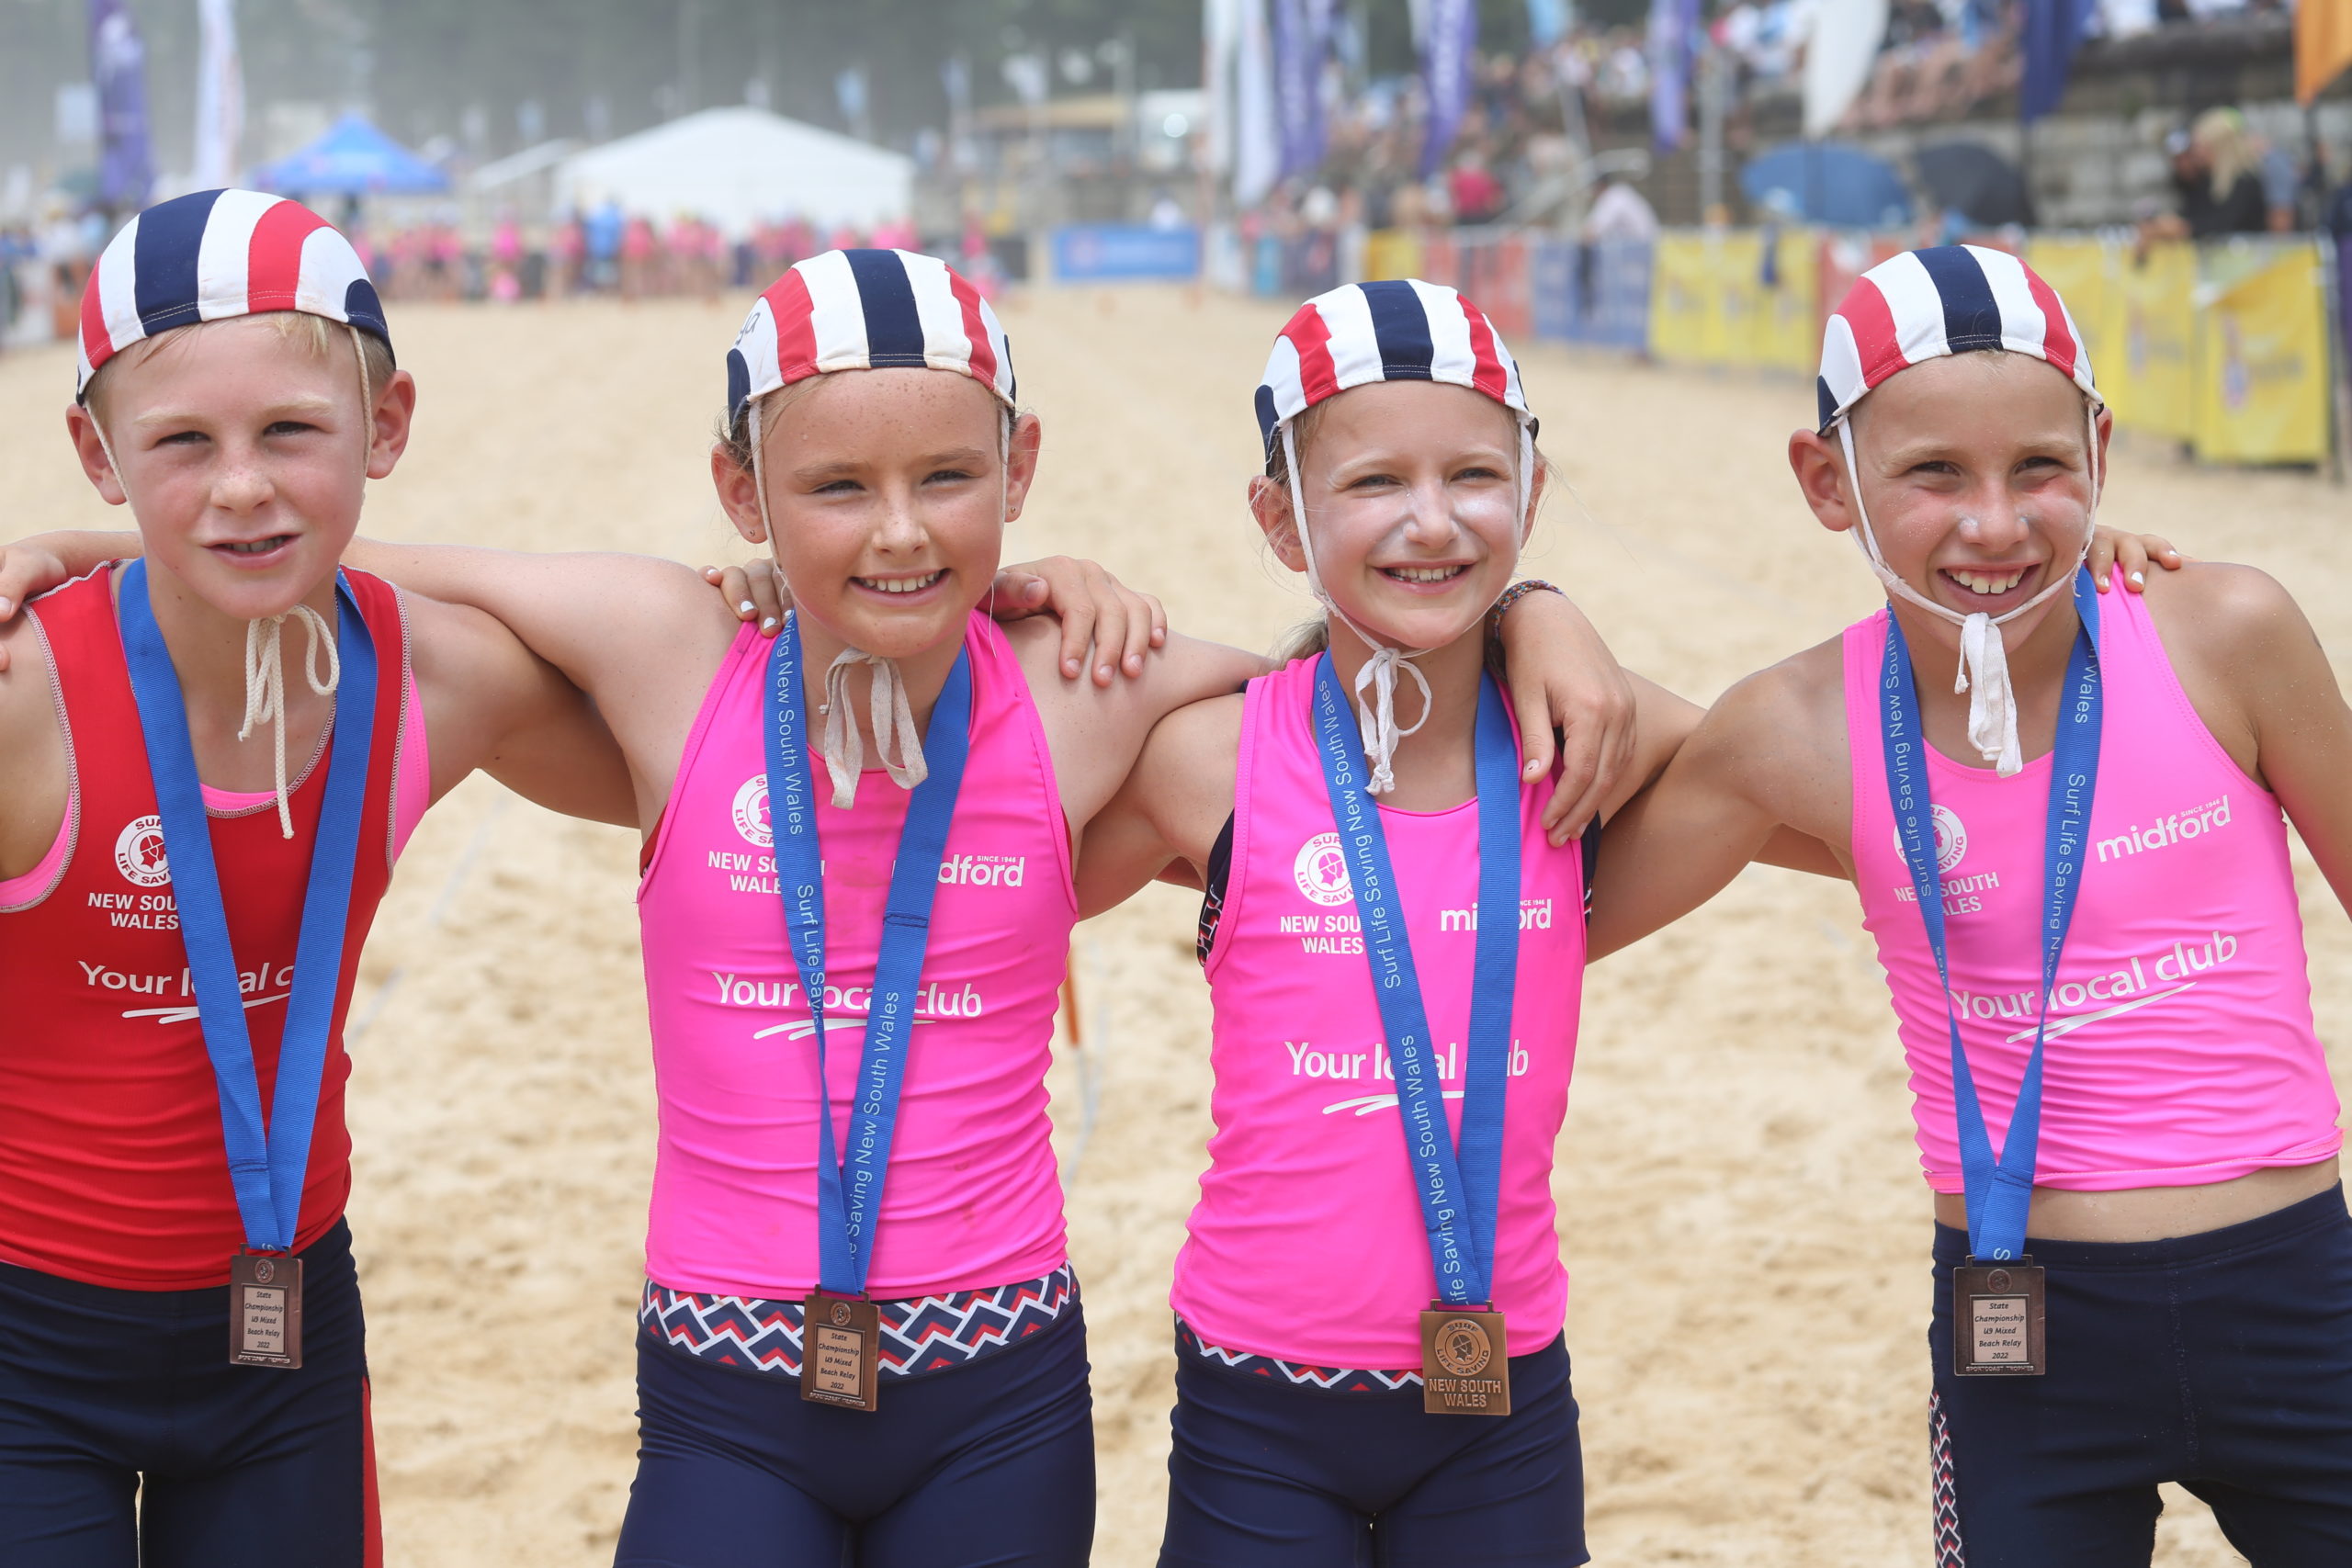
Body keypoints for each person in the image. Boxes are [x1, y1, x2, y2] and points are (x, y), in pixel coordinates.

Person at [0, 247, 1635, 1565]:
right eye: (836, 486)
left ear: (1021, 470)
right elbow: (385, 565)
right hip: (724, 1394)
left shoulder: (1084, 686)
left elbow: (1354, 684)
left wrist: (1537, 612)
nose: (904, 528)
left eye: (948, 478)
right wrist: (113, 547)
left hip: (998, 1392)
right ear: (742, 492)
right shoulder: (670, 656)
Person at [1586, 243, 2352, 1564]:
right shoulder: (1796, 730)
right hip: (2023, 1333)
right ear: (1829, 482)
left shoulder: (2223, 632)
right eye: (1935, 473)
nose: (1995, 523)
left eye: (2041, 469)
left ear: (2101, 451)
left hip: (2293, 1293)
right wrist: (1540, 613)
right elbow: (1548, 918)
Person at [1071, 279, 1828, 1566]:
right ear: (1279, 517)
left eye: (1475, 474)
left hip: (1505, 1405)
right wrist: (1027, 591)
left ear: (1529, 494)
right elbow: (954, 833)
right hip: (1256, 1403)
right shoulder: (1208, 763)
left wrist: (2058, 608)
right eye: (1373, 484)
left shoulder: (1585, 738)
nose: (1431, 522)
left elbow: (1808, 797)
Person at [0, 188, 639, 1565]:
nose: (242, 487)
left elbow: (697, 724)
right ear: (96, 455)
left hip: (285, 1345)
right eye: (182, 444)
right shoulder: (23, 697)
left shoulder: (434, 678)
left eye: (292, 432)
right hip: (22, 1352)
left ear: (387, 428)